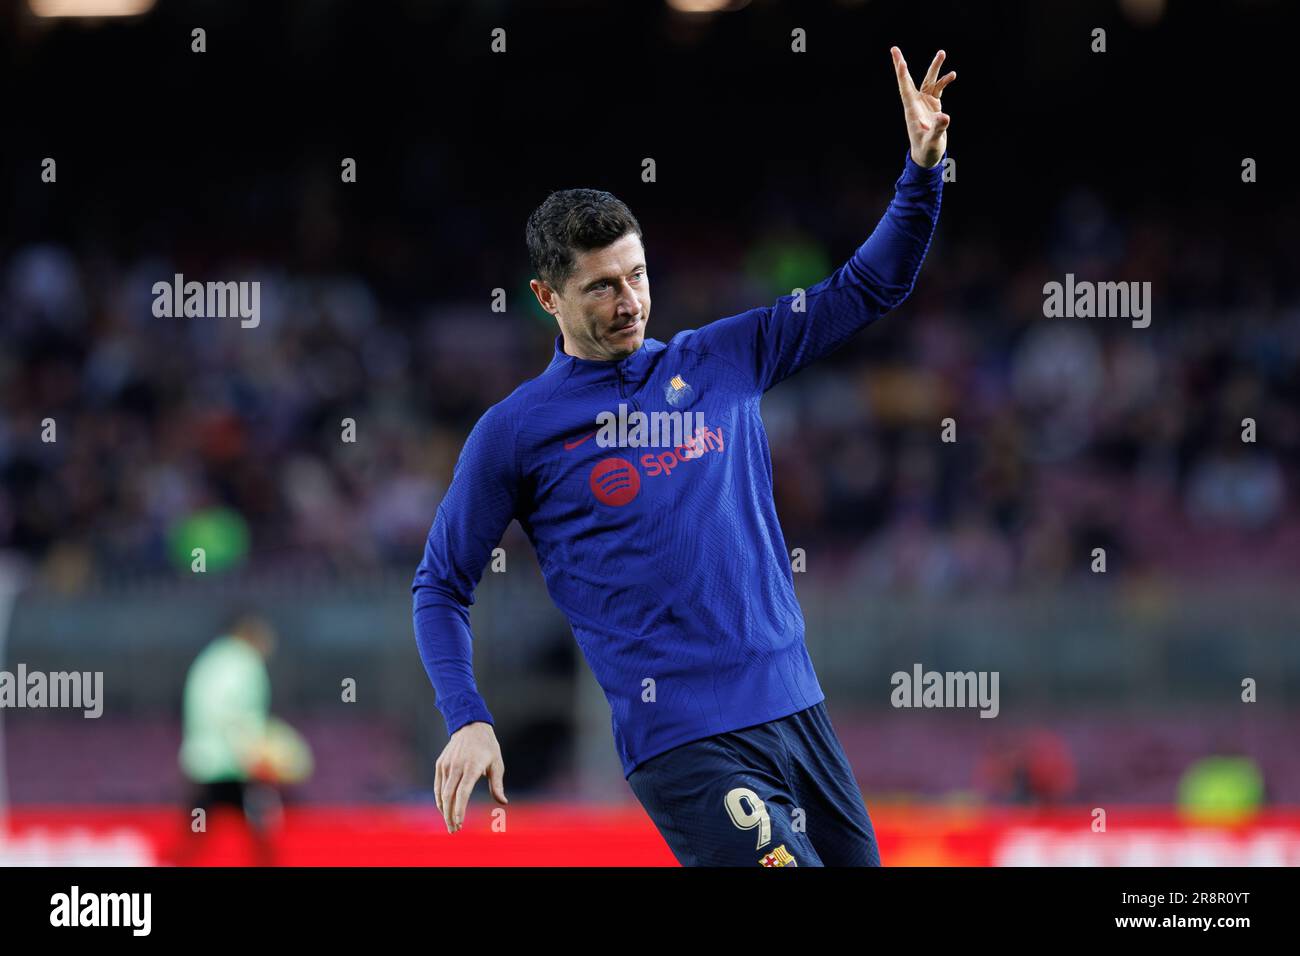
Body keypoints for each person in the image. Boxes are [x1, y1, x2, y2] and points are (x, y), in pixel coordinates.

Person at [412, 47, 954, 865]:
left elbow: (868, 286)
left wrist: (922, 170)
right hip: (685, 741)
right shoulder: (516, 432)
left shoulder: (723, 358)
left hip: (798, 711)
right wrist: (468, 716)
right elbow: (440, 585)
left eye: (636, 275)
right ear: (547, 296)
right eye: (601, 286)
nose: (629, 302)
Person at [172, 611, 310, 865]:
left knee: (195, 835)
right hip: (234, 765)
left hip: (204, 763)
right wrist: (255, 755)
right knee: (262, 835)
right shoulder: (244, 662)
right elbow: (238, 716)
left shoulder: (211, 659)